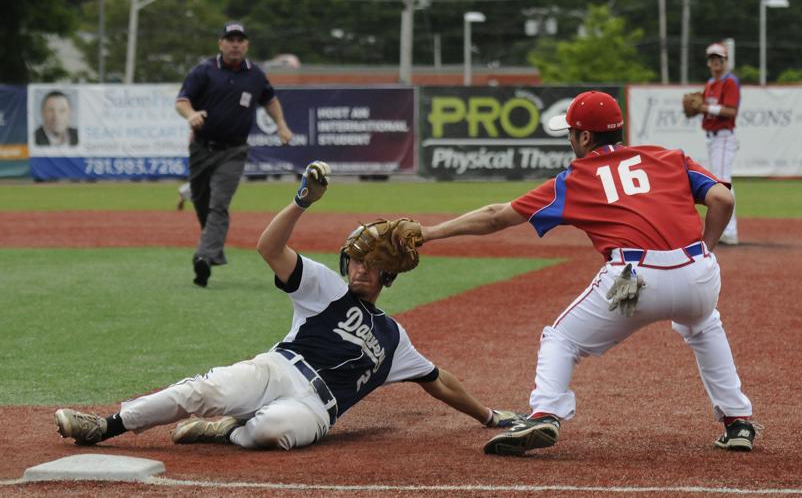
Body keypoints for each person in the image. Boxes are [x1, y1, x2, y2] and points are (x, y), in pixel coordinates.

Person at [54, 161, 521, 450]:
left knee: (270, 433)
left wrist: (488, 415)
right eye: (355, 261)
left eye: (371, 265)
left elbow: (440, 383)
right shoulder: (324, 288)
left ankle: (228, 431)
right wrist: (301, 202)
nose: (359, 270)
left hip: (317, 409)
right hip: (279, 368)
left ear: (388, 275)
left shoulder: (395, 339)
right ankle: (106, 424)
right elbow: (269, 249)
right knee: (202, 392)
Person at [417, 91, 756, 456]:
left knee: (561, 339)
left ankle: (545, 411)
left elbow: (497, 215)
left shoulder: (576, 178)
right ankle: (738, 422)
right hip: (697, 271)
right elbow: (723, 199)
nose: (570, 140)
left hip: (635, 276)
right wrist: (703, 251)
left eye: (571, 133)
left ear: (585, 138)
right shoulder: (667, 156)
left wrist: (430, 233)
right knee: (704, 325)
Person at [176, 21, 293, 287]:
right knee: (202, 202)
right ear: (221, 44)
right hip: (202, 149)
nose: (236, 44)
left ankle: (204, 257)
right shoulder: (204, 71)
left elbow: (270, 100)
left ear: (247, 44)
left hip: (235, 151)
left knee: (219, 203)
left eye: (240, 39)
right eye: (230, 39)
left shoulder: (255, 75)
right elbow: (182, 101)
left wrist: (282, 126)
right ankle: (212, 248)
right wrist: (191, 114)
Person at [698, 42, 741, 245]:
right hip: (713, 137)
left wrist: (706, 107)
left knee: (723, 181)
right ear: (708, 62)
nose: (716, 62)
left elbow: (731, 111)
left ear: (725, 61)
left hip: (723, 136)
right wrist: (700, 107)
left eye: (719, 58)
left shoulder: (729, 82)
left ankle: (729, 231)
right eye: (712, 58)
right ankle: (728, 230)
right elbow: (705, 108)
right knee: (721, 180)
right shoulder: (710, 83)